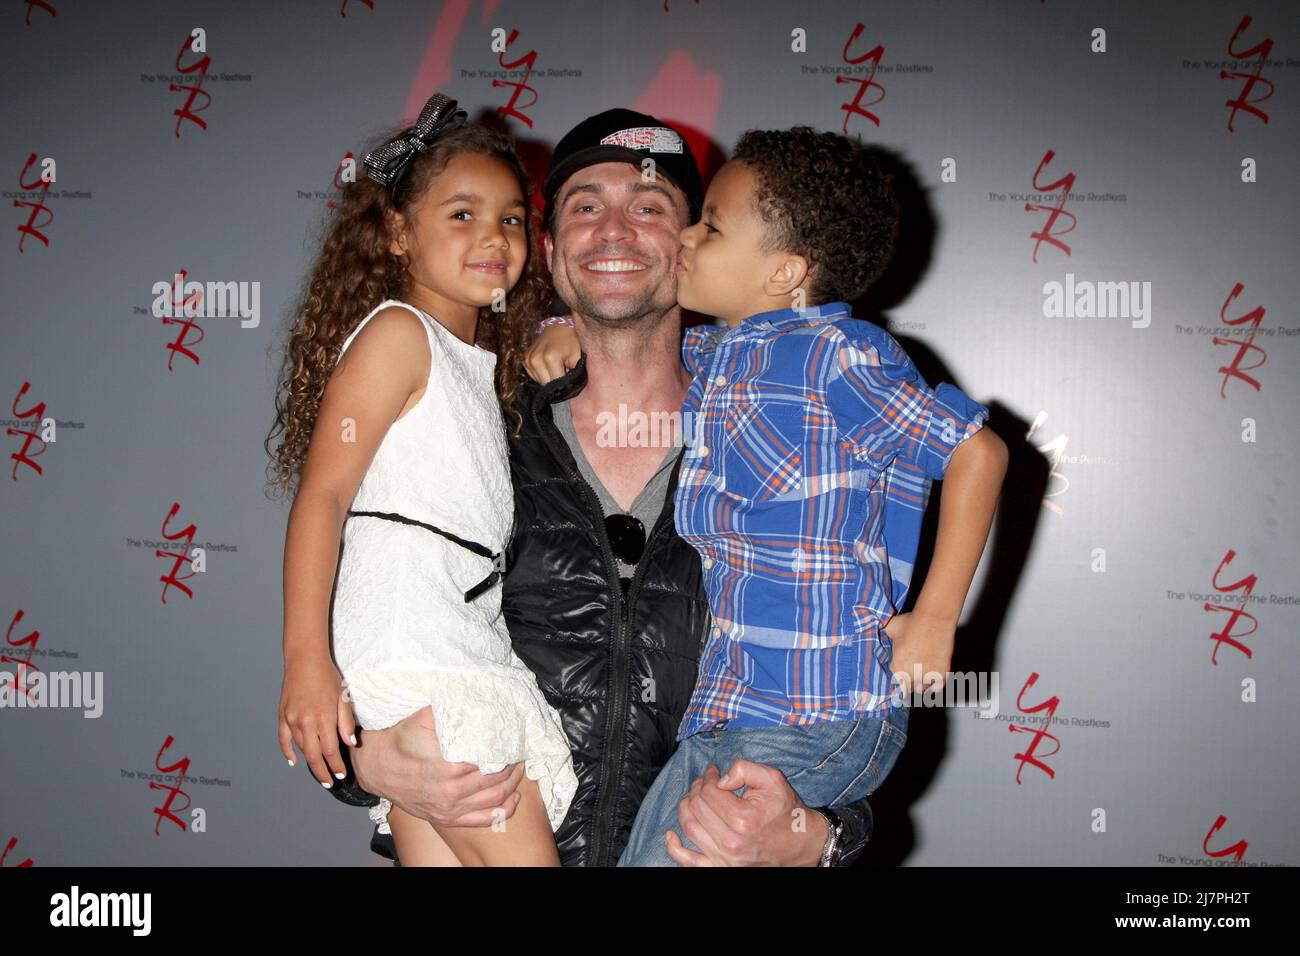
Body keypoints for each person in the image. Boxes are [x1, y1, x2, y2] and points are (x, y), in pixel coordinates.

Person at [324, 108, 892, 867]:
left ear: (694, 247)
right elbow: (372, 622)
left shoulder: (798, 438)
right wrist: (363, 761)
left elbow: (853, 709)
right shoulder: (465, 431)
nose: (616, 230)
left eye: (650, 207)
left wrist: (820, 838)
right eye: (585, 206)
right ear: (549, 249)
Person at [528, 126, 1009, 866]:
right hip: (731, 713)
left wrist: (937, 617)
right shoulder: (717, 355)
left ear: (784, 272)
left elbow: (978, 452)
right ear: (551, 245)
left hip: (817, 706)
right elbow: (623, 325)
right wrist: (561, 325)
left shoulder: (838, 354)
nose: (687, 237)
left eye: (705, 224)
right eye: (584, 209)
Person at [268, 92, 577, 866]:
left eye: (511, 218)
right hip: (419, 650)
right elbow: (324, 497)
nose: (494, 237)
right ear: (400, 233)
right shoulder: (401, 333)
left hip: (448, 645)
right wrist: (307, 664)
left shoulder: (470, 359)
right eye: (462, 214)